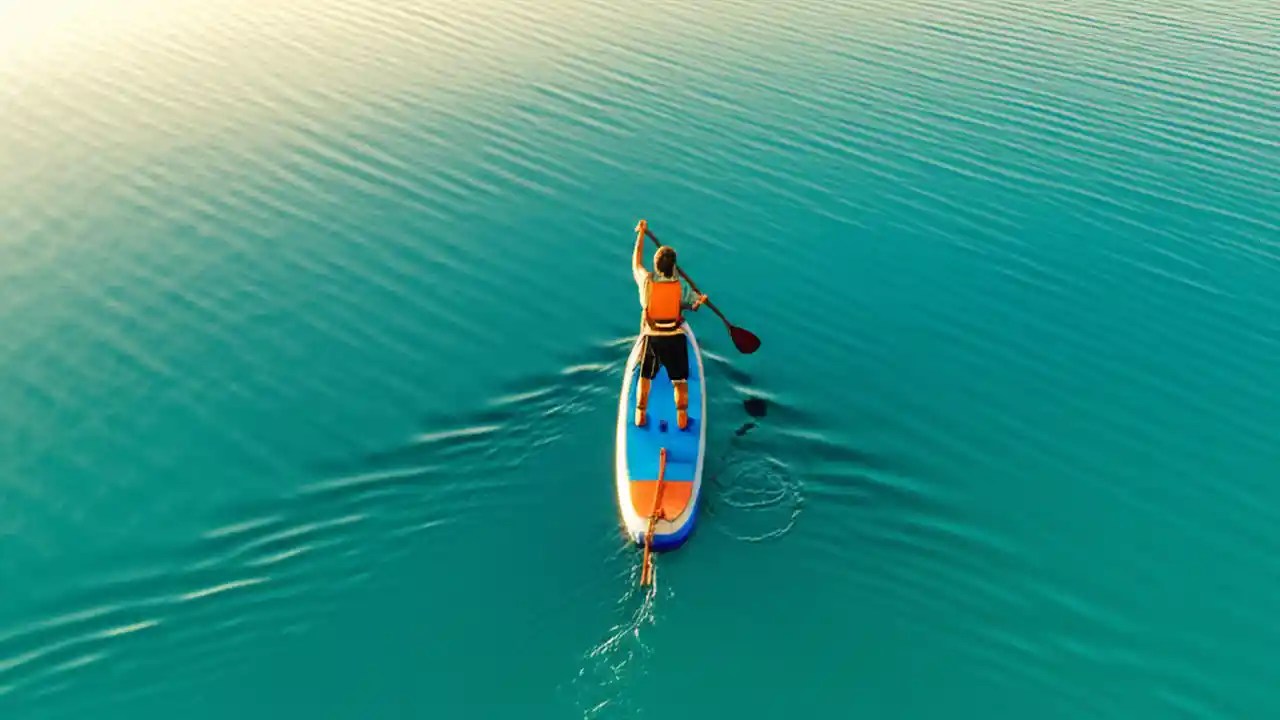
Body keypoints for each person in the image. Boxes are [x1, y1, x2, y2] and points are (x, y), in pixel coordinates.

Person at [632, 219, 706, 429]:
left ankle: (640, 414)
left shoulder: (646, 281)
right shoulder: (680, 285)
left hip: (653, 337)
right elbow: (691, 305)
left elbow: (636, 262)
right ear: (674, 267)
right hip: (675, 337)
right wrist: (699, 301)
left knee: (645, 377)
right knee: (679, 381)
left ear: (655, 266)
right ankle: (682, 419)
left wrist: (641, 234)